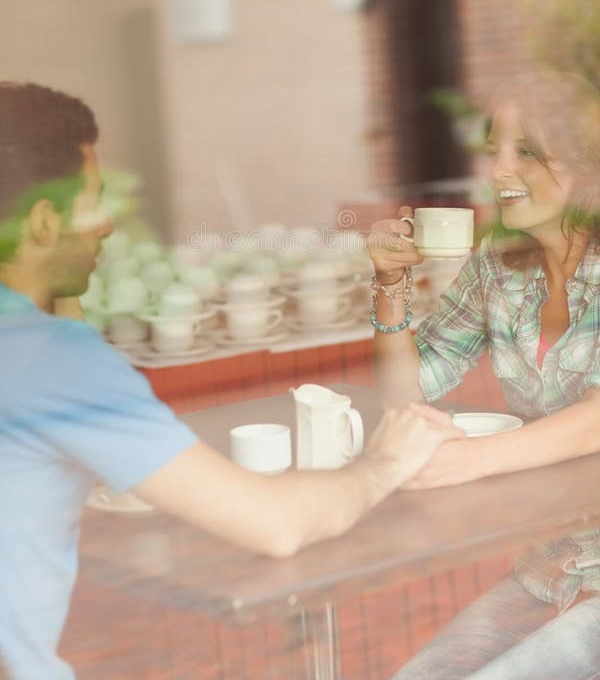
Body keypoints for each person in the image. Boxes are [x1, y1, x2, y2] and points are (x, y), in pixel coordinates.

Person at [0, 82, 461, 680]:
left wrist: (49, 280)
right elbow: (274, 525)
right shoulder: (52, 360)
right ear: (42, 222)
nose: (108, 226)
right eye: (91, 205)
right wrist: (386, 463)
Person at [367, 71, 600, 679]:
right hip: (553, 565)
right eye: (494, 149)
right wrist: (391, 286)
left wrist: (470, 459)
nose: (498, 171)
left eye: (524, 151)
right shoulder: (499, 266)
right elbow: (408, 393)